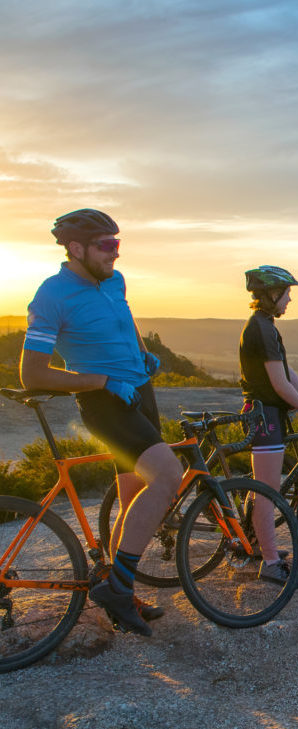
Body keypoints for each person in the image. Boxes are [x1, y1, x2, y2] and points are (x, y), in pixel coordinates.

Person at [20, 208, 182, 637]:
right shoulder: (52, 295)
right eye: (105, 246)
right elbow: (32, 374)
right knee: (168, 476)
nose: (115, 253)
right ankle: (117, 588)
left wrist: (142, 349)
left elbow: (125, 317)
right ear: (76, 249)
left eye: (117, 244)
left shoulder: (114, 280)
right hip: (105, 403)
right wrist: (102, 380)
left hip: (139, 395)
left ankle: (121, 595)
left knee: (133, 500)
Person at [239, 265, 298, 583]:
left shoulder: (265, 324)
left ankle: (258, 544)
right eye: (287, 293)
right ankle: (270, 563)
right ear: (272, 294)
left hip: (268, 414)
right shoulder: (262, 327)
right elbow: (280, 385)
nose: (289, 300)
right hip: (265, 415)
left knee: (265, 488)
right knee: (267, 491)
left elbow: (289, 373)